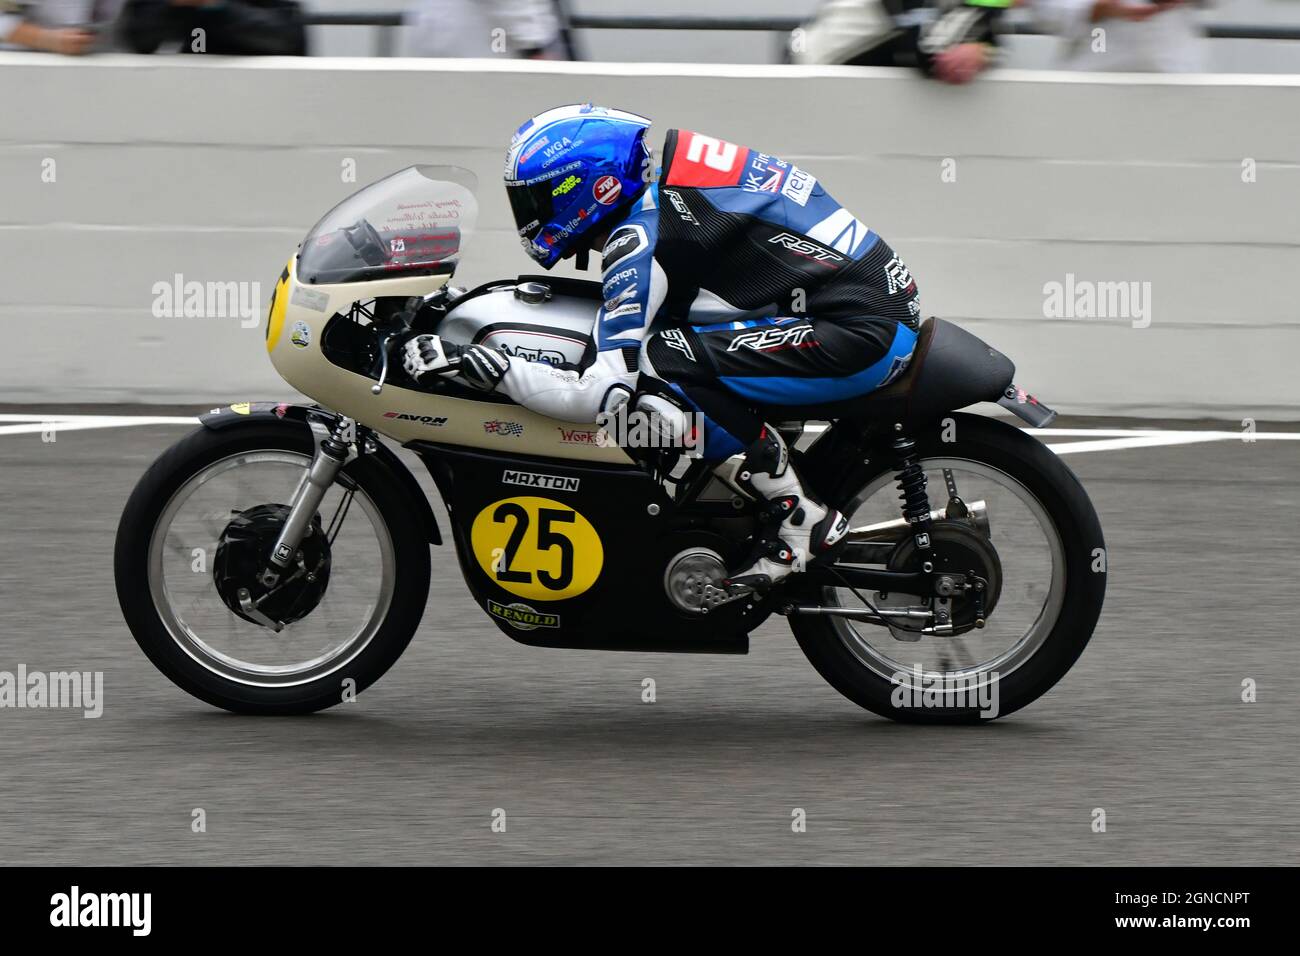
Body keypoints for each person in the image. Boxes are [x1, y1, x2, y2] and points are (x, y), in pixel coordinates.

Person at [402, 104, 922, 591]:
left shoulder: (639, 238)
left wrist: (490, 370)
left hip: (860, 331)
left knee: (654, 371)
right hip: (863, 305)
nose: (533, 215)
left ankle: (797, 514)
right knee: (666, 350)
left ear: (588, 188)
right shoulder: (668, 189)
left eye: (540, 199)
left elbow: (599, 398)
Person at [791, 0, 1011, 83]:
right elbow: (928, 52)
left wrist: (984, 51)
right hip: (811, 78)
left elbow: (974, 43)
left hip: (838, 82)